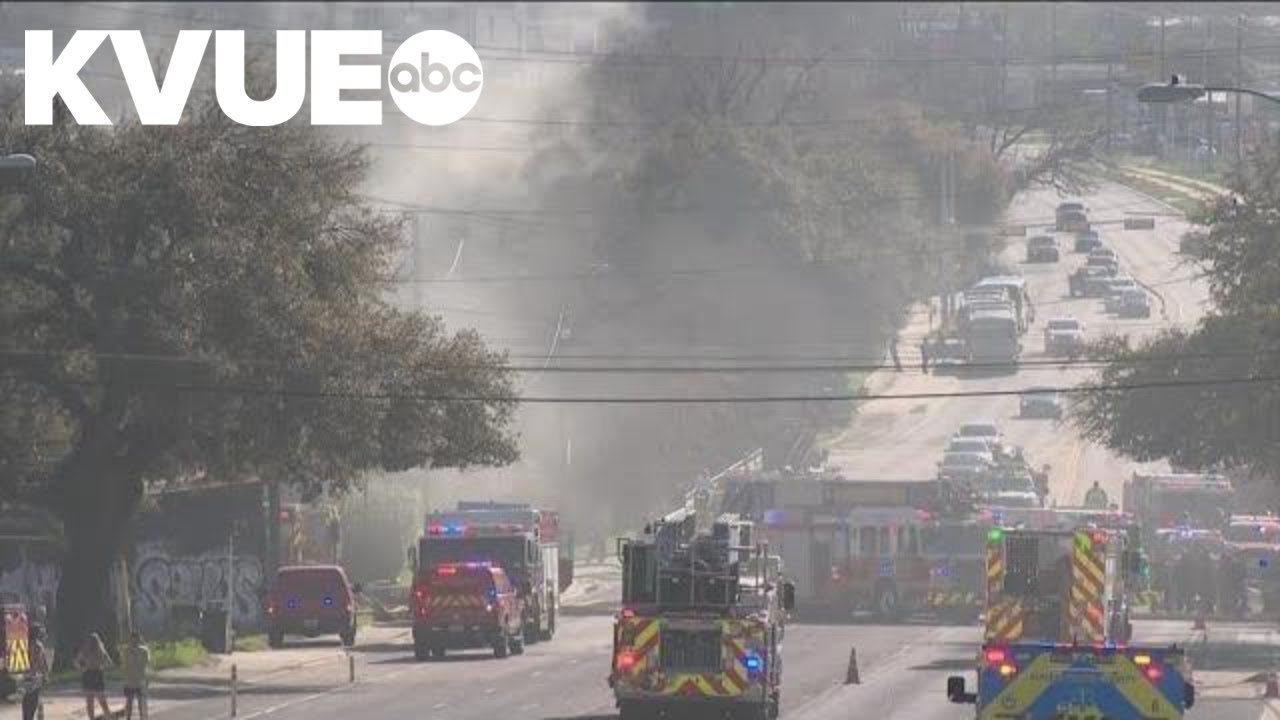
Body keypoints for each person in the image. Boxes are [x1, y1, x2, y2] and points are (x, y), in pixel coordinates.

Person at [75, 633, 114, 720]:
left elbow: (109, 663)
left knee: (102, 701)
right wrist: (83, 668)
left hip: (97, 674)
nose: (91, 643)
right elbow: (76, 662)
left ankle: (109, 718)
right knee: (90, 702)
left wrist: (101, 666)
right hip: (88, 674)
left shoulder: (100, 651)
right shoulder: (84, 651)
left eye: (93, 641)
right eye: (90, 641)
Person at [21, 623, 50, 720]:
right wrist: (45, 674)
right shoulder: (38, 645)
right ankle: (30, 716)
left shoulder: (25, 644)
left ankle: (26, 716)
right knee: (34, 697)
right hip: (35, 675)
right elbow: (42, 661)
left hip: (26, 673)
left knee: (26, 696)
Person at [122, 631, 151, 720]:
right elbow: (124, 664)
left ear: (139, 639)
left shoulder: (144, 650)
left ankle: (143, 718)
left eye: (136, 639)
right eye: (133, 639)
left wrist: (147, 679)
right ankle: (128, 718)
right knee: (129, 702)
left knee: (141, 703)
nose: (134, 641)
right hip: (130, 680)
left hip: (140, 680)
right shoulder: (126, 650)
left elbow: (147, 664)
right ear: (130, 640)